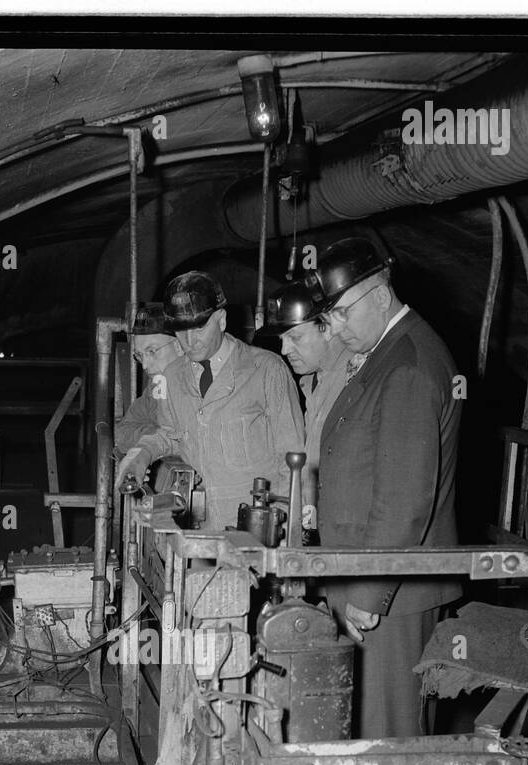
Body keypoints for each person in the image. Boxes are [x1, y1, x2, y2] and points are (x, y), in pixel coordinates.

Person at [307, 236, 462, 738]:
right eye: (329, 320)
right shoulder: (384, 352)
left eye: (344, 314)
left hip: (391, 593)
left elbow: (405, 499)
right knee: (359, 728)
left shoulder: (411, 364)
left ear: (379, 293)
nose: (338, 329)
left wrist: (370, 594)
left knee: (389, 735)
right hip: (361, 574)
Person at [115, 271, 304, 528]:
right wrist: (142, 453)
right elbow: (171, 434)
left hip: (256, 530)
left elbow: (293, 459)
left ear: (221, 320)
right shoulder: (173, 375)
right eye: (181, 331)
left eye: (200, 327)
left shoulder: (266, 370)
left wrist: (282, 526)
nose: (190, 341)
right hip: (201, 529)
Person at [266, 279, 351, 538]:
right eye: (282, 339)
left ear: (326, 327)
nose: (284, 349)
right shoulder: (311, 382)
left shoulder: (353, 378)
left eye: (294, 337)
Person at [113, 303, 184, 455]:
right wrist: (160, 437)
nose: (144, 365)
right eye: (139, 355)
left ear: (179, 345)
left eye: (152, 351)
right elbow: (122, 431)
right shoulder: (159, 384)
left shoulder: (208, 381)